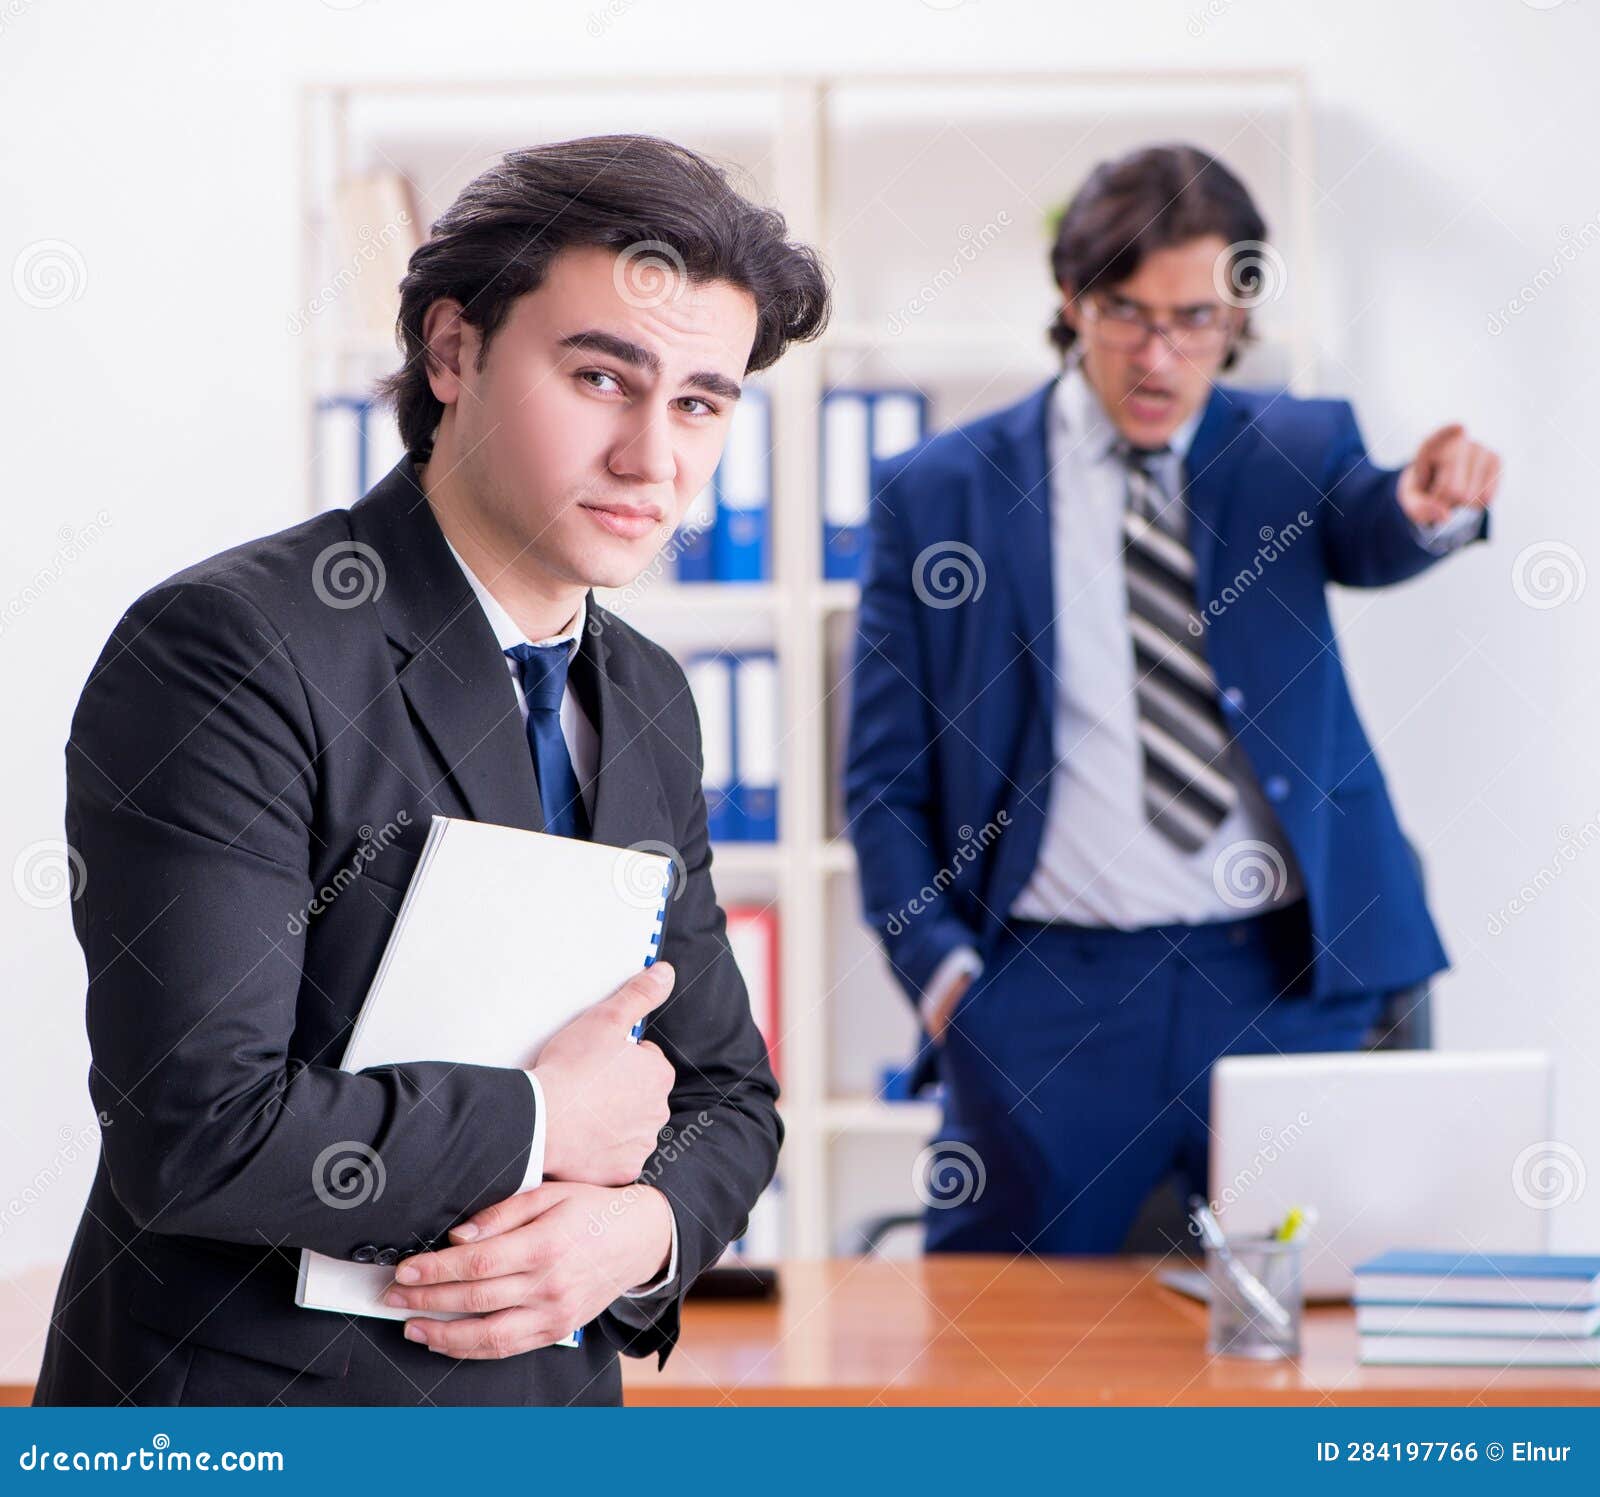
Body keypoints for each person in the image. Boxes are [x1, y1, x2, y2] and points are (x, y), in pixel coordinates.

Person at [35, 134, 829, 1405]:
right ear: (452, 351)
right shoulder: (235, 648)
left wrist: (639, 1236)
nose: (652, 458)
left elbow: (728, 1094)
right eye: (598, 378)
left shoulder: (646, 699)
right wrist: (536, 1128)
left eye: (697, 401)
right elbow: (193, 1131)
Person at [844, 143, 1499, 1255]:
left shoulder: (1293, 446)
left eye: (1193, 318)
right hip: (1046, 994)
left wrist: (1425, 505)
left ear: (1235, 314)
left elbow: (1369, 524)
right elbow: (882, 781)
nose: (1158, 357)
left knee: (1311, 1336)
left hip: (1280, 983)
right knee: (1006, 1358)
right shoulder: (941, 491)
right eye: (1126, 314)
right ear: (1071, 300)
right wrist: (947, 976)